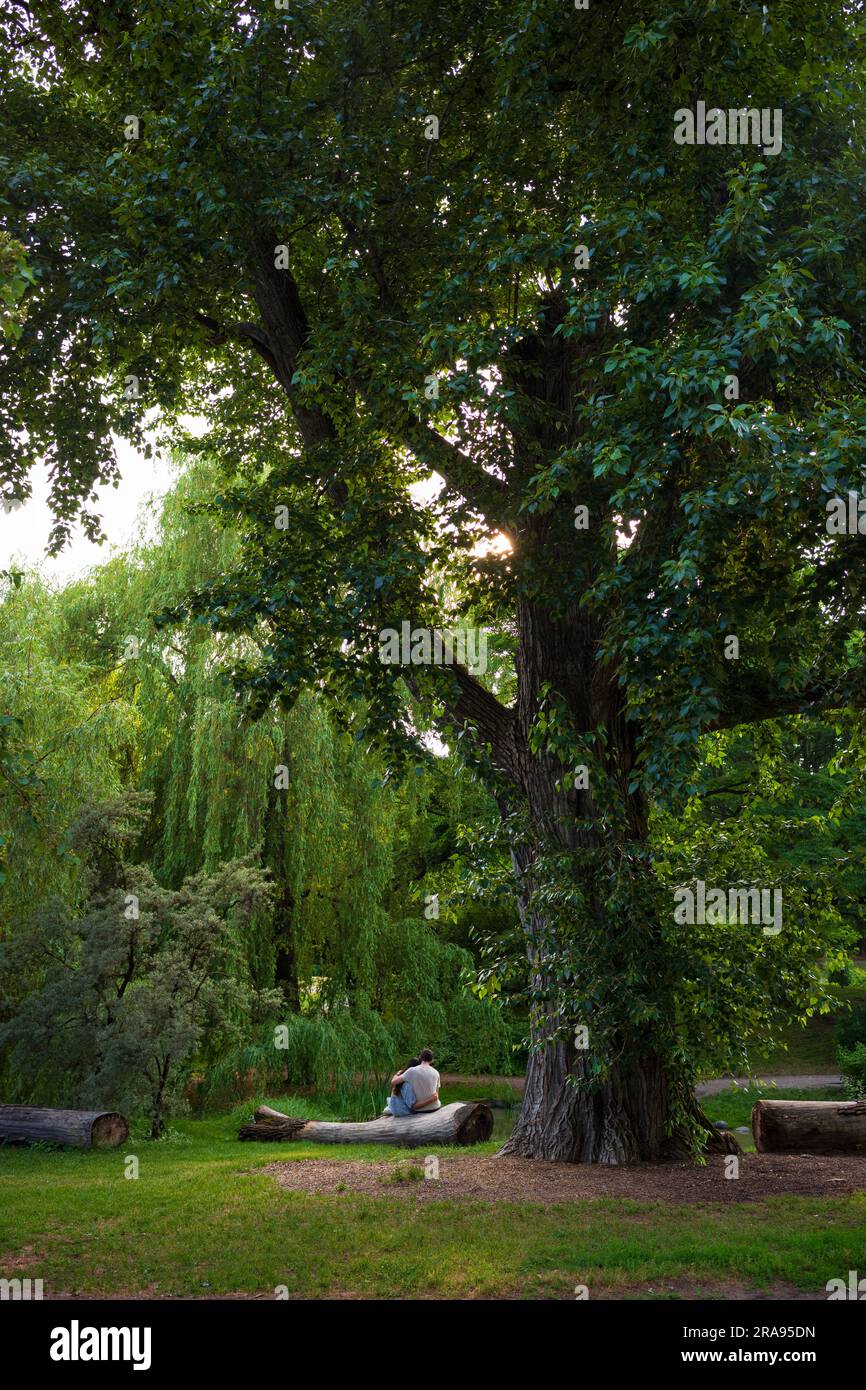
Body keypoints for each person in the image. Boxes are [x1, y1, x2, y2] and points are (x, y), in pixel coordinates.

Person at [384, 1048, 441, 1117]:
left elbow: (393, 1082)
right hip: (436, 1107)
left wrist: (398, 1073)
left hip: (420, 1109)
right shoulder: (436, 1072)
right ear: (432, 1060)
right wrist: (432, 1099)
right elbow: (436, 1095)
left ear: (421, 1058)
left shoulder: (412, 1071)